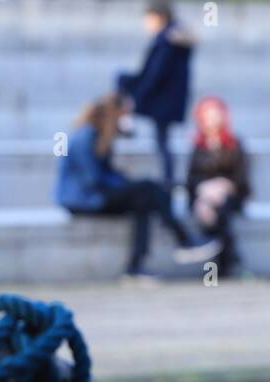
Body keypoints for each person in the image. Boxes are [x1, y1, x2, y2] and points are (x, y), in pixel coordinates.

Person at [54, 92, 220, 280]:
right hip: (82, 200)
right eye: (125, 114)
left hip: (92, 195)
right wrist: (126, 185)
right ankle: (183, 240)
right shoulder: (86, 136)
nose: (128, 120)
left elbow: (106, 174)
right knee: (147, 189)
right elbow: (93, 180)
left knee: (144, 199)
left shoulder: (99, 135)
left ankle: (136, 267)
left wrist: (126, 183)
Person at [117, 0, 194, 187]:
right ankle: (168, 179)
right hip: (166, 98)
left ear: (158, 17)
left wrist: (137, 98)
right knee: (162, 139)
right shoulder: (173, 37)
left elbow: (155, 74)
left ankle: (168, 180)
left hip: (162, 99)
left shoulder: (166, 40)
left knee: (162, 140)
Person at [186, 96, 251, 278]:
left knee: (219, 211)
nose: (212, 120)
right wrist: (204, 194)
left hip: (230, 196)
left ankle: (214, 271)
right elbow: (191, 179)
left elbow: (241, 178)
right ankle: (228, 261)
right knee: (210, 213)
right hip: (202, 199)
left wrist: (222, 187)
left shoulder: (234, 144)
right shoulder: (198, 147)